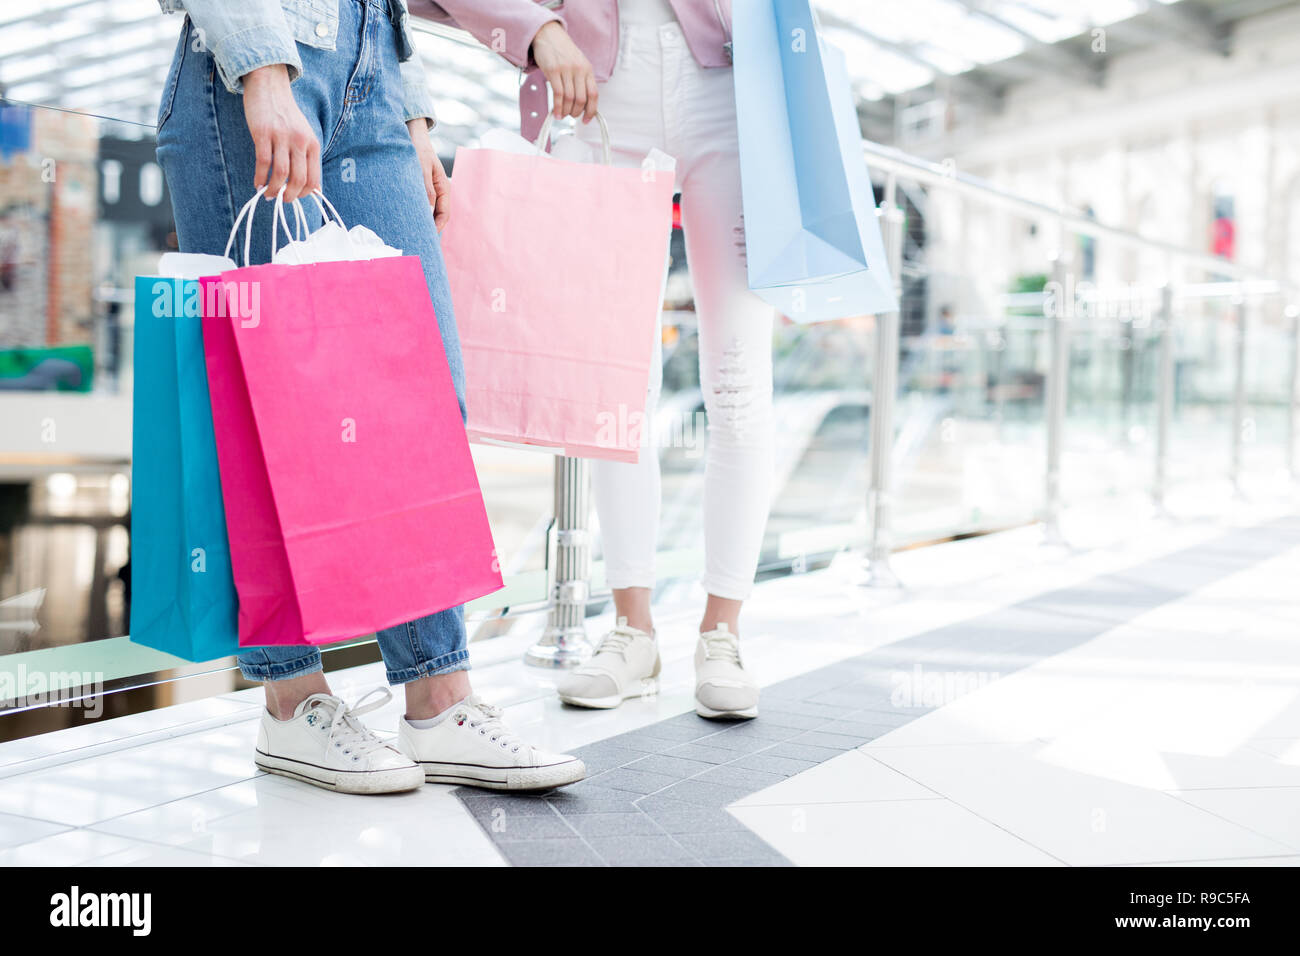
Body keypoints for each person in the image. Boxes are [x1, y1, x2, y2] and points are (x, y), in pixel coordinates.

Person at [152, 0, 593, 793]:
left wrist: (411, 110)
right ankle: (293, 699)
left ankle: (439, 696)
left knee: (420, 393)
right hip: (257, 50)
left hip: (375, 68)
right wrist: (259, 64)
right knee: (266, 409)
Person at [420, 0, 771, 720]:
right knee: (616, 379)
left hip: (728, 83)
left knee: (737, 380)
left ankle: (723, 631)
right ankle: (632, 630)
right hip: (596, 82)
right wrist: (536, 29)